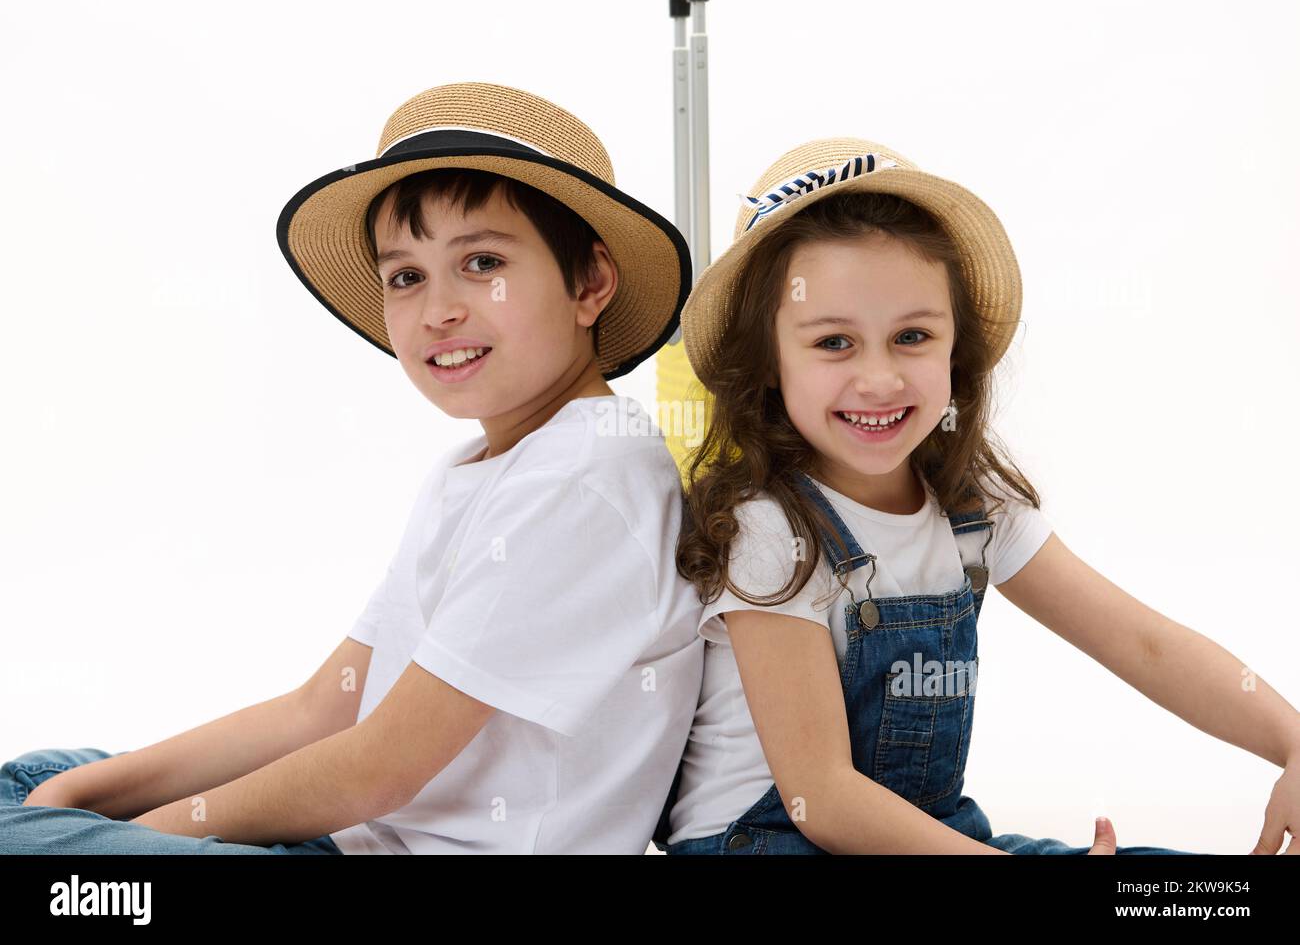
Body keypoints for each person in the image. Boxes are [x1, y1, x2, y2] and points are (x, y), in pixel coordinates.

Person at [1, 81, 705, 855]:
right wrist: (82, 801)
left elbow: (380, 768)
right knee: (31, 779)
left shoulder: (588, 474)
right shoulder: (476, 467)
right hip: (362, 836)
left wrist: (106, 835)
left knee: (26, 832)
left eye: (481, 262)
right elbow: (322, 709)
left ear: (590, 284)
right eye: (406, 276)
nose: (438, 310)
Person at [656, 137, 1300, 854]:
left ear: (955, 349)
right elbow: (824, 798)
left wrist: (1294, 743)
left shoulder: (970, 509)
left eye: (911, 335)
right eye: (834, 342)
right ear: (769, 360)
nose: (879, 378)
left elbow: (1144, 643)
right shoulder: (771, 529)